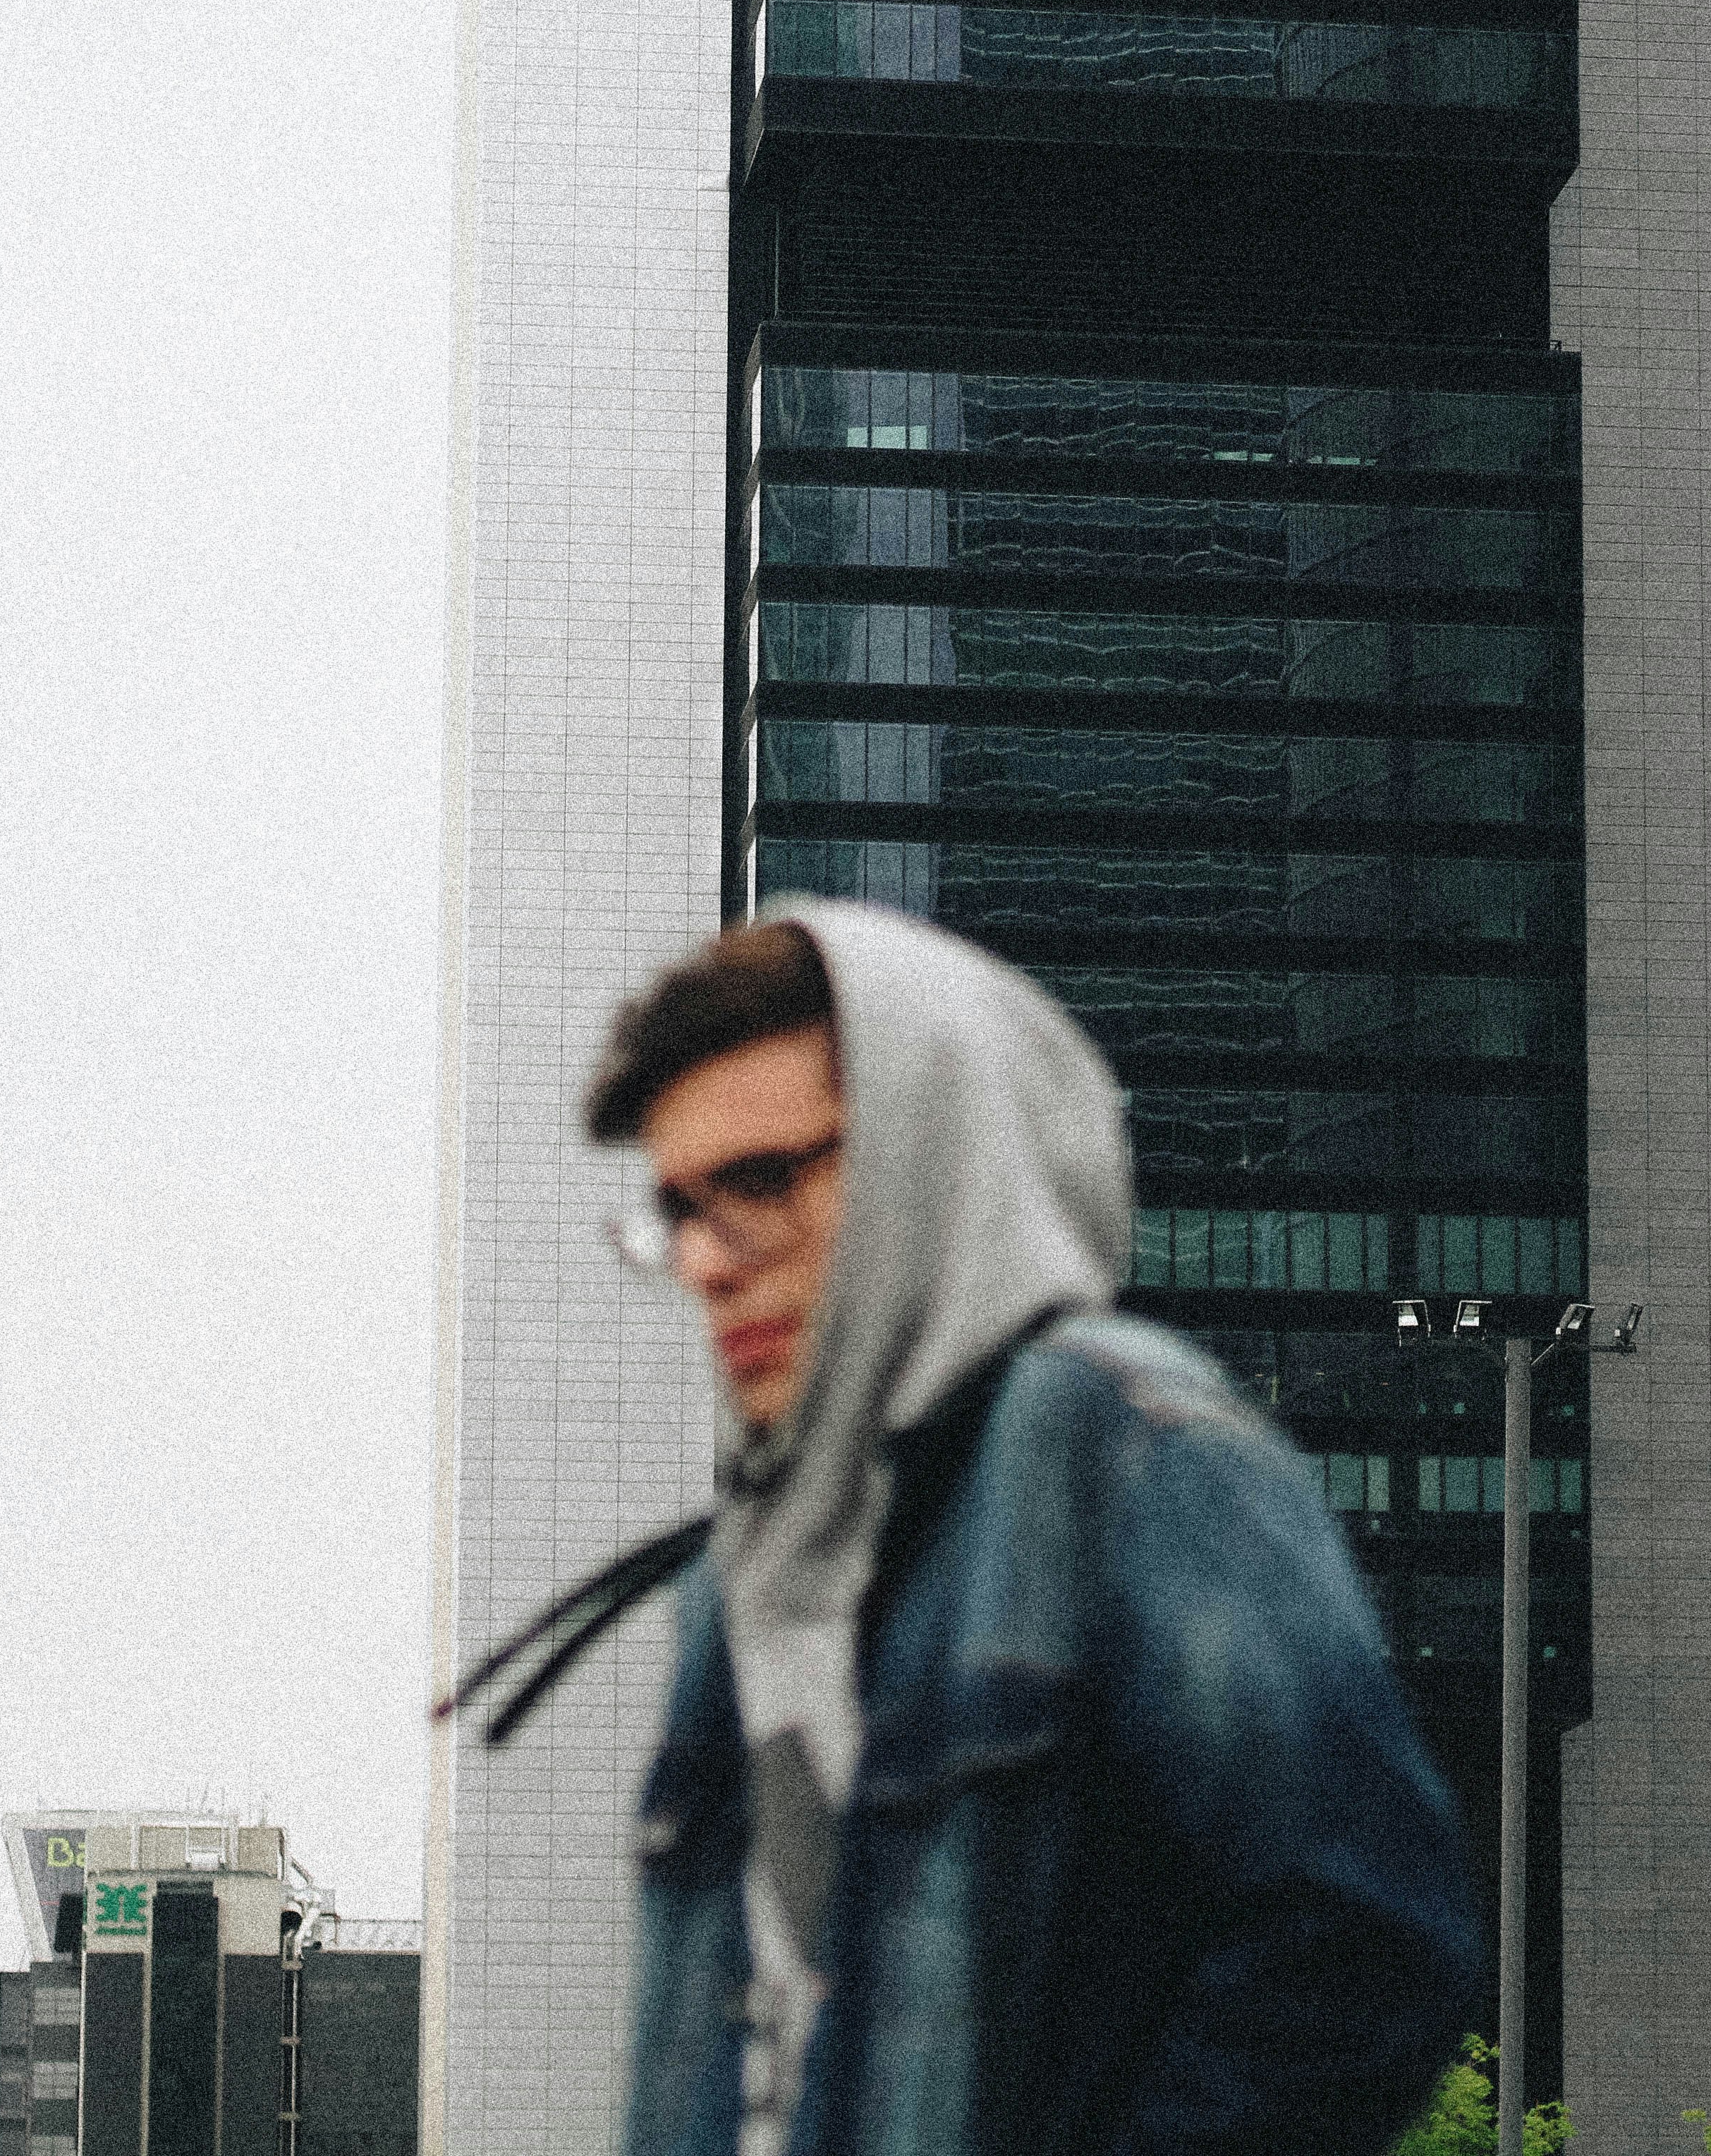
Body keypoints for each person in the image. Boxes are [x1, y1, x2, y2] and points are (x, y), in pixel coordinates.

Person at [441, 899, 1478, 2156]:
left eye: (761, 1181)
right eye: (682, 1211)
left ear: (930, 1159)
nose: (710, 1261)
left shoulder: (1108, 1439)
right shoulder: (741, 1575)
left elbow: (1368, 1947)